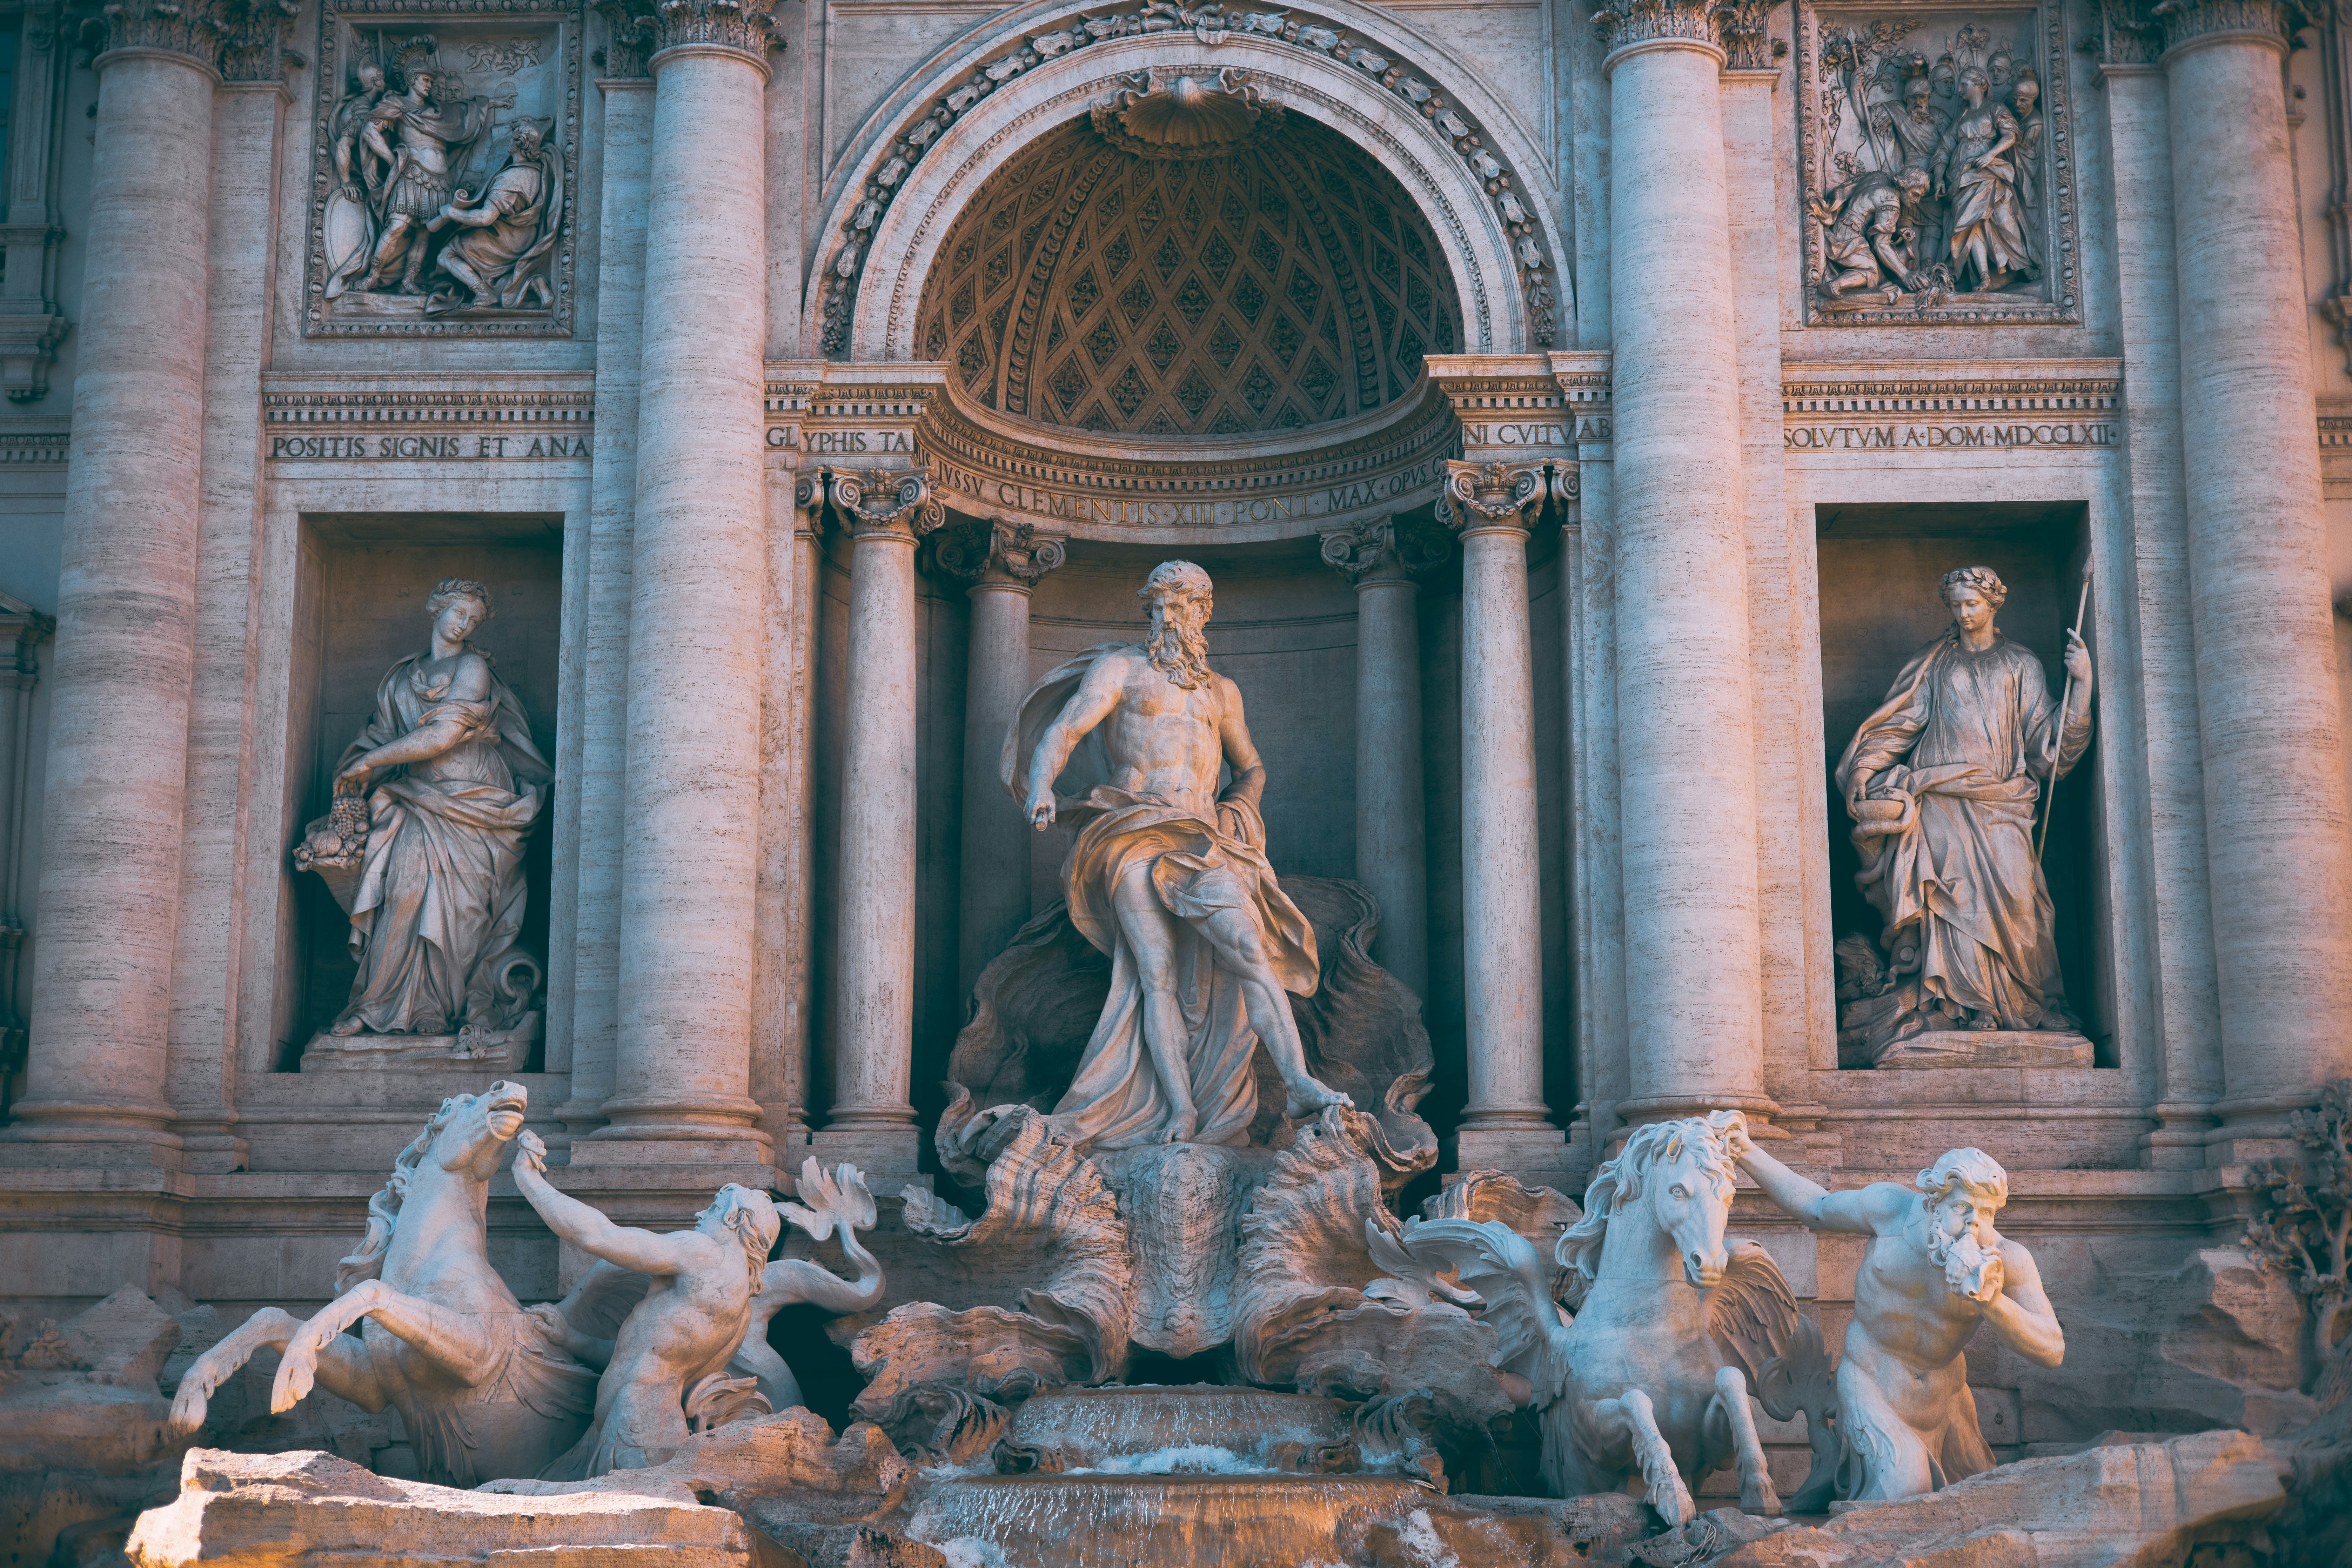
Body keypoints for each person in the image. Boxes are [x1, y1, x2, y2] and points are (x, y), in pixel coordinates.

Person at [1004, 560, 1351, 1149]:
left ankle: (1297, 1081)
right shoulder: (1122, 669)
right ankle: (1181, 1109)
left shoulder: (1222, 692)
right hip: (1130, 829)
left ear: (1202, 613)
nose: (1166, 618)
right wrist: (1042, 786)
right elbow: (1064, 730)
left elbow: (1252, 766)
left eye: (1179, 606)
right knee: (1156, 973)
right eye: (1158, 606)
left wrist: (1238, 807)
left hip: (1202, 836)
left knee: (1249, 946)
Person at [1834, 566, 2090, 1055]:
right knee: (1951, 902)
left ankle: (2025, 1004)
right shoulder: (1934, 662)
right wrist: (1866, 767)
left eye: (1972, 604)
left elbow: (2048, 743)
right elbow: (1901, 724)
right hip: (1939, 797)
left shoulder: (2021, 663)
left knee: (2019, 900)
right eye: (1955, 605)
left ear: (1994, 604)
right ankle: (1961, 1007)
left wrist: (2082, 686)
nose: (1963, 613)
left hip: (2001, 800)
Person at [1726, 1136, 2064, 1502]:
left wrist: (1991, 1301)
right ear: (1934, 1204)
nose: (1974, 1225)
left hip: (1946, 1400)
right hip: (1871, 1381)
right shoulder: (1889, 1210)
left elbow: (2052, 1349)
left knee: (1979, 1504)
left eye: (1986, 1213)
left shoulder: (2006, 1259)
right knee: (1905, 1492)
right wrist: (1745, 1150)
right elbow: (1815, 1207)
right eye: (1962, 1208)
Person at [317, 578, 549, 1039]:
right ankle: (377, 1004)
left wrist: (370, 762)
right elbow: (382, 737)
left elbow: (443, 736)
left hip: (477, 805)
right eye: (459, 612)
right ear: (436, 608)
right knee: (404, 891)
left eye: (474, 620)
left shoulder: (472, 668)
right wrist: (358, 769)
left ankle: (436, 1010)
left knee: (461, 913)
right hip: (417, 798)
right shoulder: (400, 679)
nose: (464, 624)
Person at [511, 1131, 782, 1478]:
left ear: (734, 1219)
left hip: (635, 1431)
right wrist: (571, 1340)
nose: (701, 1213)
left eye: (714, 1209)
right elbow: (646, 1356)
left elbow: (597, 1235)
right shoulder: (741, 1311)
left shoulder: (705, 1253)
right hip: (639, 1429)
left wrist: (528, 1179)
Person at [428, 120, 564, 312]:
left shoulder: (509, 179)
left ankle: (483, 293)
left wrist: (452, 212)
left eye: (511, 137)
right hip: (526, 235)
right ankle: (532, 283)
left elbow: (485, 218)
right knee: (489, 271)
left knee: (447, 254)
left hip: (507, 239)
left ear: (516, 143)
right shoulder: (538, 171)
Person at [1932, 66, 2033, 293]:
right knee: (1971, 224)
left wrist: (1991, 154)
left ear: (1981, 84)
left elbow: (2010, 135)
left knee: (2004, 218)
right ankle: (1984, 277)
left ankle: (2024, 264)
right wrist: (1939, 178)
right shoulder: (1962, 116)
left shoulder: (1995, 108)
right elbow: (1944, 148)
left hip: (1990, 170)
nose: (1959, 90)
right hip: (1961, 175)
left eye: (1964, 85)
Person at [1810, 167, 1931, 301]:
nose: (1917, 201)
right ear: (1904, 185)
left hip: (1840, 226)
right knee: (1872, 272)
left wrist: (1897, 231)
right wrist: (1905, 274)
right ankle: (1835, 285)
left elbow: (1868, 218)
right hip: (1848, 237)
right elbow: (1881, 245)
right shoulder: (1891, 203)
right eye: (1915, 194)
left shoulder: (1879, 179)